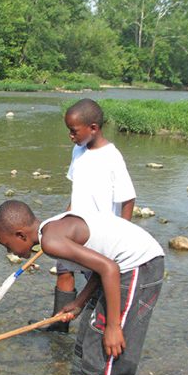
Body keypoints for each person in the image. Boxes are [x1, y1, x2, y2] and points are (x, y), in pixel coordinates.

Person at [0, 200, 164, 375]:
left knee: (101, 339)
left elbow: (109, 268)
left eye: (6, 244)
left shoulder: (51, 242)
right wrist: (80, 301)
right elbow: (101, 264)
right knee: (88, 334)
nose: (8, 251)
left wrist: (113, 326)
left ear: (20, 234)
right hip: (125, 265)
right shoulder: (51, 229)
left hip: (138, 266)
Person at [42, 98, 136, 333]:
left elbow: (128, 198)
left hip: (97, 234)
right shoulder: (78, 151)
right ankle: (59, 325)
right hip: (74, 227)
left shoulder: (112, 157)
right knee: (64, 270)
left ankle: (102, 328)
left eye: (74, 131)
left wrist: (122, 235)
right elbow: (77, 191)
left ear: (93, 128)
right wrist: (62, 221)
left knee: (97, 280)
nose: (70, 136)